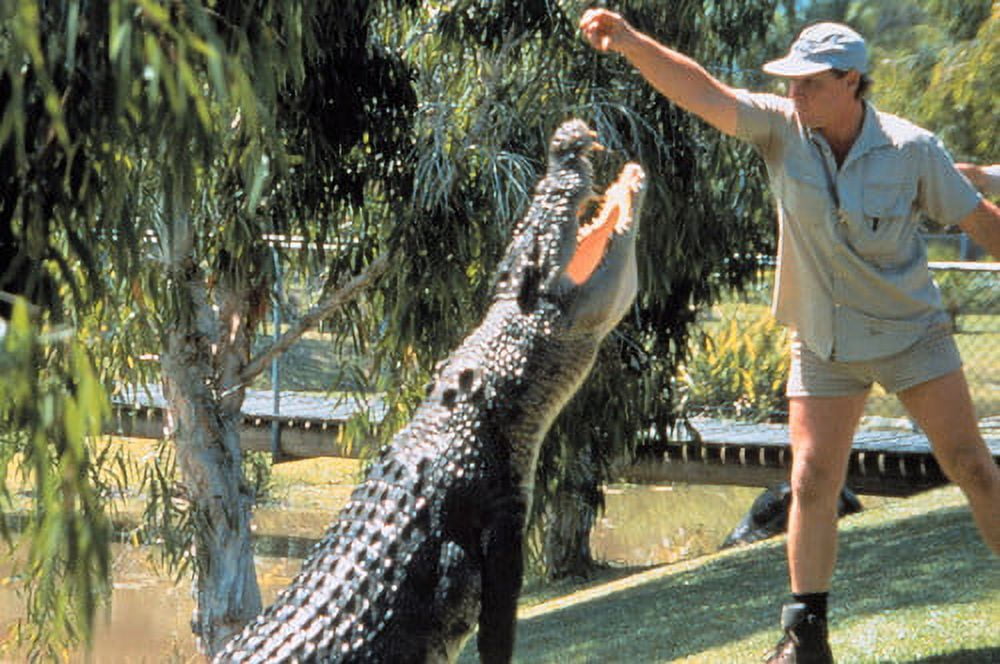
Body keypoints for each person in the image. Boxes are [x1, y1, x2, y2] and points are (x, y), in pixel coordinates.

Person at [579, 9, 1000, 664]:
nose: (795, 92)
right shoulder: (780, 129)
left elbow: (980, 221)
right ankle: (806, 637)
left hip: (910, 333)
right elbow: (704, 93)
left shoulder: (912, 148)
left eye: (810, 83)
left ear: (850, 81)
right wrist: (632, 43)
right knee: (810, 479)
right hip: (824, 339)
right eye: (792, 81)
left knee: (972, 465)